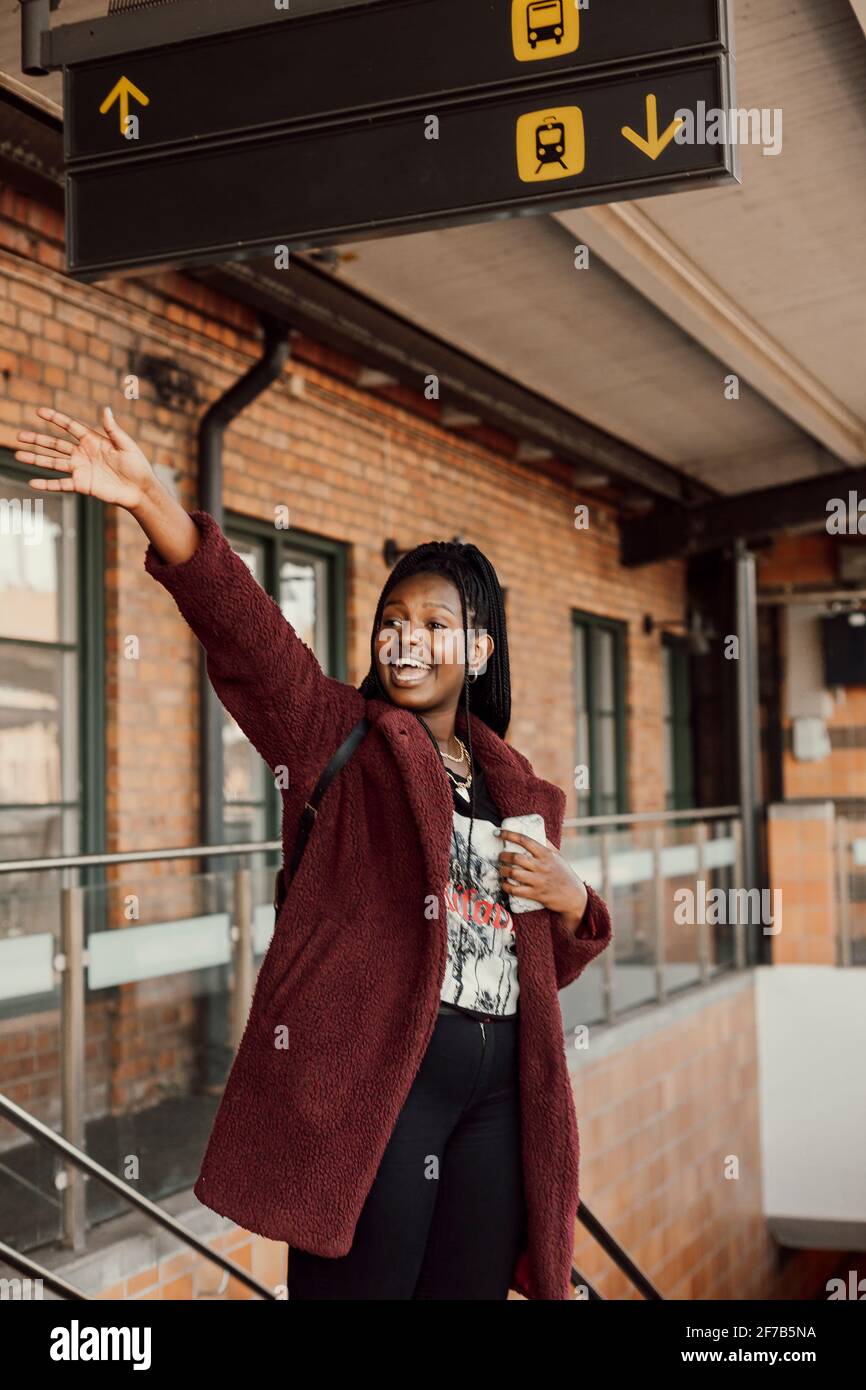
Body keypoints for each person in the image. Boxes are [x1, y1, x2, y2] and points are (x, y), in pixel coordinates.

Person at [16, 403, 613, 1300]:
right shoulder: (335, 732)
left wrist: (571, 903)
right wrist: (149, 500)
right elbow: (246, 631)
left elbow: (532, 967)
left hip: (498, 1101)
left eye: (436, 623)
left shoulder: (521, 790)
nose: (406, 638)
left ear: (481, 648)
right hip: (379, 1085)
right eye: (392, 619)